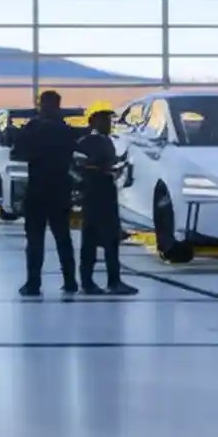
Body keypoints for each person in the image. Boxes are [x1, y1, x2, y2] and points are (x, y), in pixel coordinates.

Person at [15, 90, 79, 296]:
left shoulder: (32, 128)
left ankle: (33, 283)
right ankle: (70, 281)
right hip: (60, 188)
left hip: (37, 189)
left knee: (35, 240)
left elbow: (18, 152)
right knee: (63, 238)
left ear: (41, 105)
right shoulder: (66, 129)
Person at [76, 107, 138, 296]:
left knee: (109, 239)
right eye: (104, 120)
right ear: (94, 122)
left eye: (109, 121)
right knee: (94, 239)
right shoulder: (88, 142)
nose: (109, 124)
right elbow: (81, 165)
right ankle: (93, 281)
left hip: (104, 192)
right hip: (95, 193)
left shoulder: (105, 141)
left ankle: (110, 280)